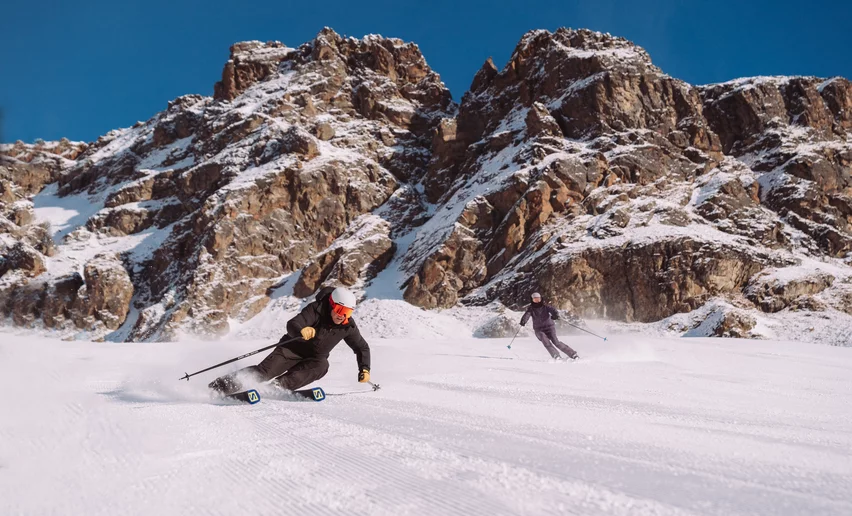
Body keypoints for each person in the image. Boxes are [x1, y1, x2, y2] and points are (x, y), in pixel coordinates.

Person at [209, 286, 371, 395]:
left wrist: (364, 369)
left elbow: (361, 347)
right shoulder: (316, 310)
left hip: (314, 359)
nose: (342, 315)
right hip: (291, 349)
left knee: (322, 365)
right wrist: (301, 330)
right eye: (340, 310)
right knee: (263, 373)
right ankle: (219, 387)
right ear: (331, 304)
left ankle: (278, 387)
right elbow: (293, 323)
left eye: (348, 312)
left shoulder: (347, 326)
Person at [520, 292, 579, 360]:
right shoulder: (531, 309)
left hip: (549, 327)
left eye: (538, 299)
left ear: (541, 299)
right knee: (545, 341)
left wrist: (555, 315)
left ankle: (572, 354)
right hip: (539, 329)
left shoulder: (545, 306)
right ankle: (555, 355)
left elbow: (552, 310)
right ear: (532, 300)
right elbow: (526, 315)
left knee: (556, 342)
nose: (537, 301)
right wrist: (523, 321)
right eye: (535, 300)